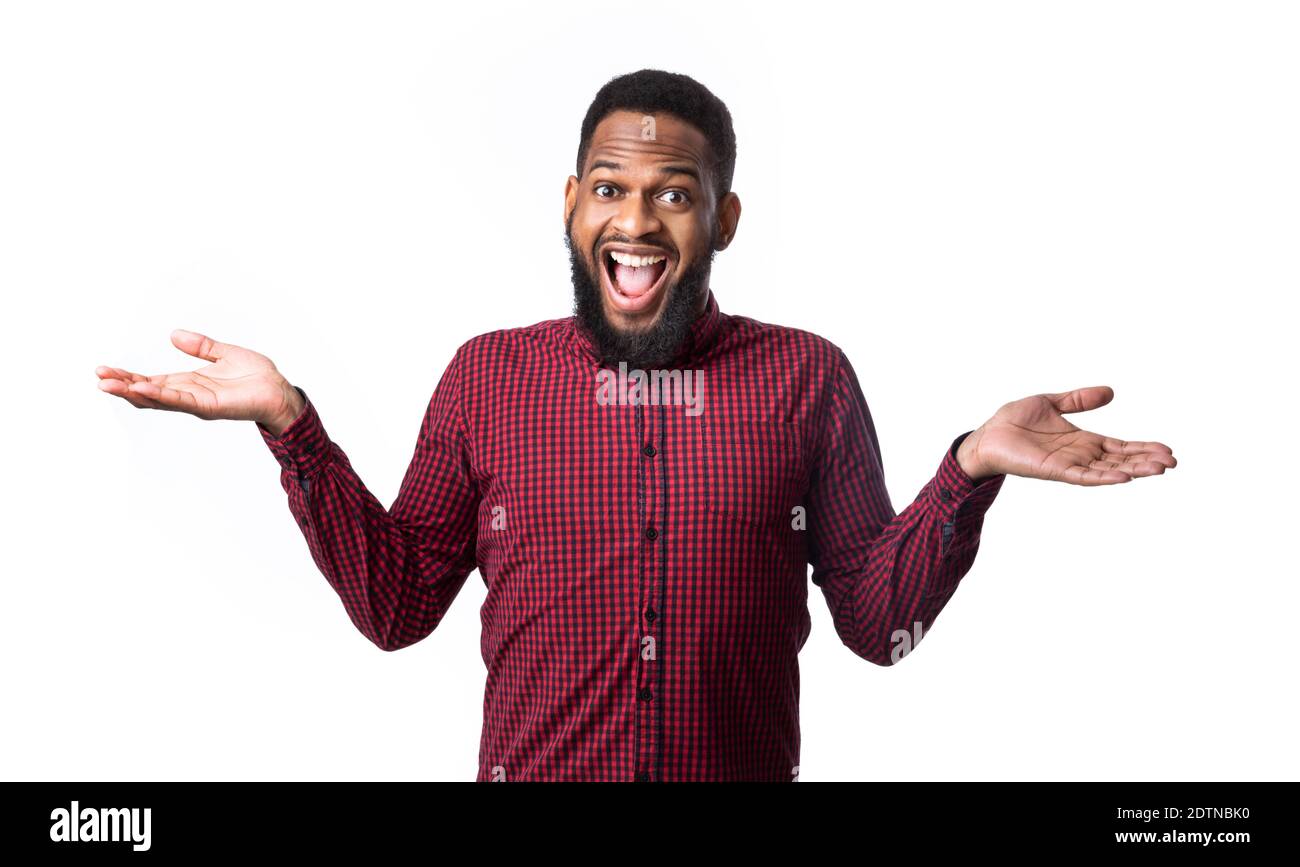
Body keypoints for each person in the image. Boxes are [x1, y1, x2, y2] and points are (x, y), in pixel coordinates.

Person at [95, 69, 1177, 782]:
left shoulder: (808, 379)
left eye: (673, 192)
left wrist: (969, 468)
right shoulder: (486, 378)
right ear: (573, 204)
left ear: (722, 218)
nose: (635, 218)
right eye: (611, 186)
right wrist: (288, 424)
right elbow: (393, 607)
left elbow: (871, 622)